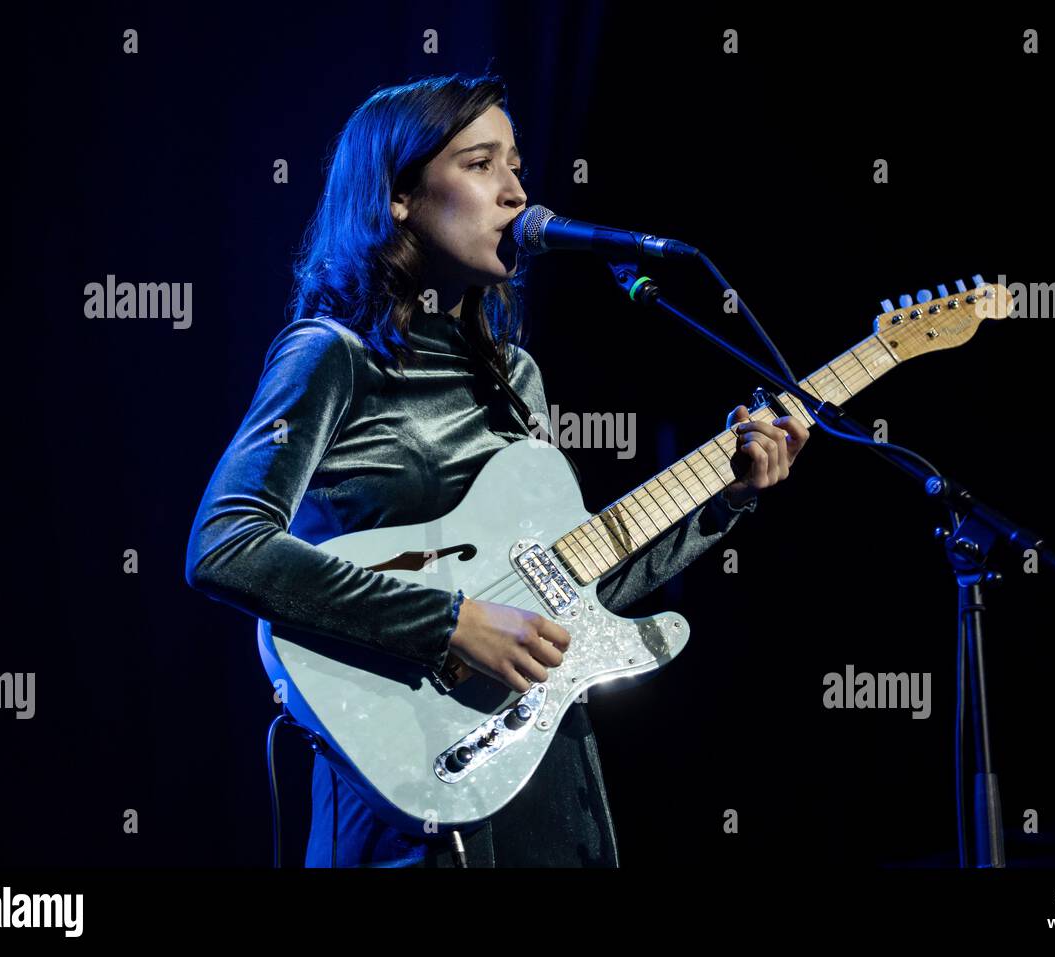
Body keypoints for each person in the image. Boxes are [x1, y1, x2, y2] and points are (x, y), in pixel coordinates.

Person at [184, 72, 808, 867]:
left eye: (516, 164)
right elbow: (224, 546)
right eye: (481, 165)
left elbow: (568, 592)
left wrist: (727, 496)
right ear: (398, 197)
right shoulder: (331, 356)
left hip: (546, 778)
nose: (516, 192)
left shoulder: (516, 377)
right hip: (405, 799)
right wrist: (450, 621)